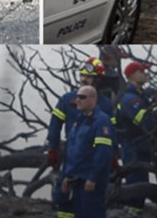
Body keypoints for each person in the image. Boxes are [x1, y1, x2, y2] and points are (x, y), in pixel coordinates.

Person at [45, 57, 113, 217]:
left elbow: (111, 135)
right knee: (63, 201)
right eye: (82, 75)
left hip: (92, 159)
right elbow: (55, 125)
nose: (84, 79)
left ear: (98, 79)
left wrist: (114, 157)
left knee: (89, 202)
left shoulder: (105, 105)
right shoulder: (68, 99)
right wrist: (52, 149)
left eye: (88, 76)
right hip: (71, 155)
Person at [115, 61, 157, 213]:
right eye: (142, 71)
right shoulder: (129, 98)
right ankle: (132, 211)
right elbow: (145, 121)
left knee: (142, 179)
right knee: (137, 181)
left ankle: (136, 209)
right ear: (132, 75)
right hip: (133, 146)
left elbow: (154, 115)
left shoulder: (141, 95)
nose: (146, 74)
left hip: (144, 145)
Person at [59, 86, 114, 218]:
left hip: (91, 181)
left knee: (93, 213)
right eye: (77, 96)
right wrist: (67, 176)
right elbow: (74, 152)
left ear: (93, 99)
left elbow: (103, 153)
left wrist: (93, 178)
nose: (78, 100)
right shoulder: (80, 121)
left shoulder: (101, 121)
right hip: (76, 179)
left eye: (82, 97)